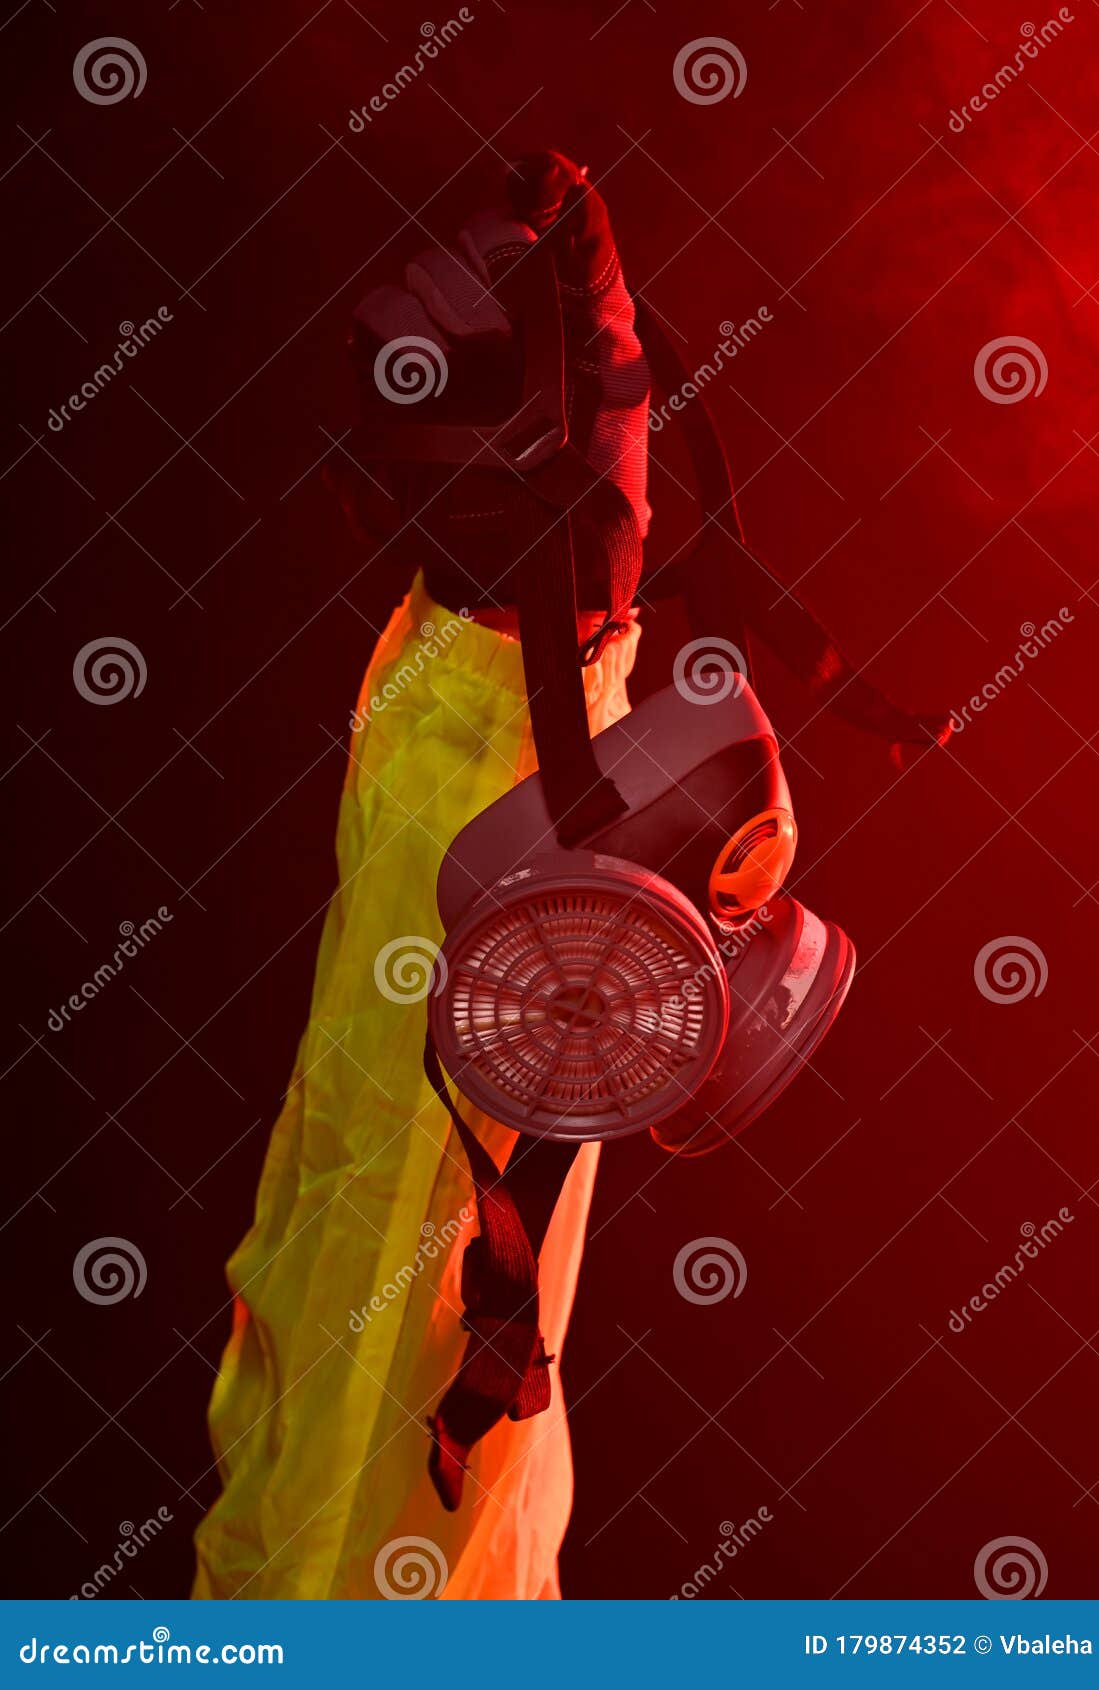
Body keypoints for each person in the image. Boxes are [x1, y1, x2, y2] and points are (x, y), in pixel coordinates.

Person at [192, 152, 651, 1600]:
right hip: (496, 742)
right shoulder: (474, 700)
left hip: (507, 729)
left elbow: (590, 511)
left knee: (391, 1350)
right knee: (377, 1340)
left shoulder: (485, 694)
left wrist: (582, 294)